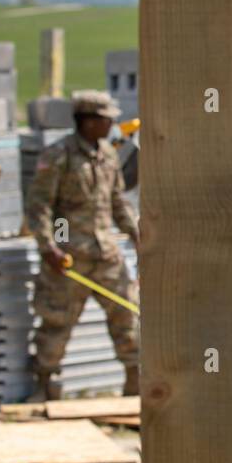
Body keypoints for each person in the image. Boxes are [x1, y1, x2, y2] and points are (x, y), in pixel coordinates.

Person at [25, 90, 140, 400]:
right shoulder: (58, 155)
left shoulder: (109, 155)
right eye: (106, 119)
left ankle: (135, 382)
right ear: (88, 122)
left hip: (106, 255)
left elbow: (117, 202)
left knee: (127, 315)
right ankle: (45, 385)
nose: (112, 124)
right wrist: (48, 247)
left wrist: (136, 234)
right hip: (69, 257)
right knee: (56, 321)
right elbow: (40, 206)